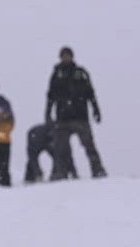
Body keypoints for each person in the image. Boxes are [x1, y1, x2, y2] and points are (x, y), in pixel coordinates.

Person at [45, 47, 107, 178]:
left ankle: (98, 170)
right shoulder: (56, 74)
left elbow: (90, 93)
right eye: (63, 56)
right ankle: (60, 173)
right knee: (60, 149)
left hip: (80, 117)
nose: (66, 58)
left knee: (89, 146)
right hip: (62, 118)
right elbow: (51, 95)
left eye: (68, 56)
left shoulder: (81, 73)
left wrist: (96, 109)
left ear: (72, 57)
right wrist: (48, 113)